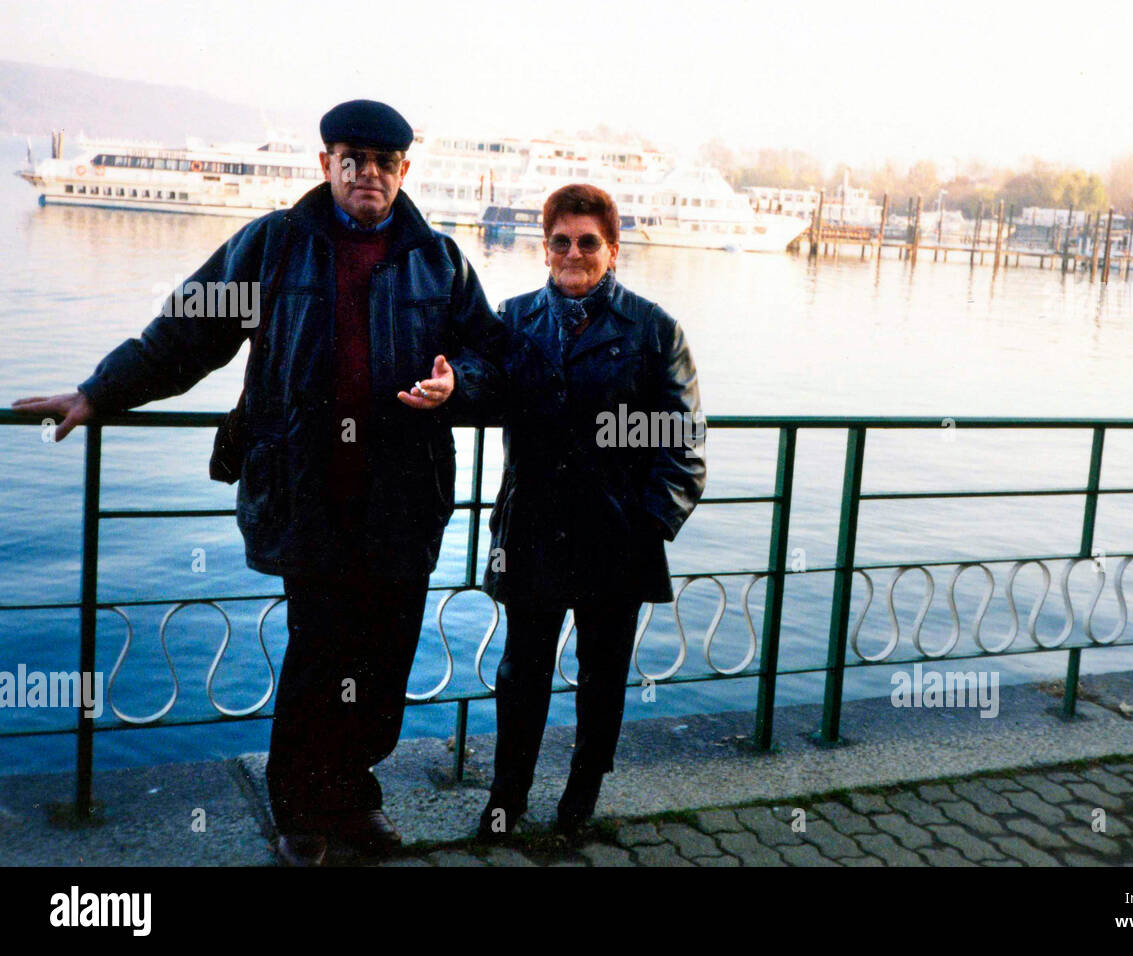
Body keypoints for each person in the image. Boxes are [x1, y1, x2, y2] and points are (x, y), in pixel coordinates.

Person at [12, 100, 506, 866]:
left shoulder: (439, 260)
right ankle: (303, 813)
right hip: (307, 492)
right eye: (352, 157)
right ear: (325, 164)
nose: (367, 173)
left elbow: (489, 358)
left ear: (405, 171)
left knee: (381, 665)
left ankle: (353, 796)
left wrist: (459, 386)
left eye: (383, 161)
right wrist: (99, 391)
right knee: (318, 662)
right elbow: (186, 332)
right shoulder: (274, 246)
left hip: (405, 499)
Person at [477, 183, 706, 839]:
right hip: (532, 530)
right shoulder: (513, 320)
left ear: (612, 249)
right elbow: (475, 389)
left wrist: (647, 525)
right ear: (545, 247)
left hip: (616, 534)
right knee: (522, 672)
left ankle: (581, 795)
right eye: (560, 242)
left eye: (587, 242)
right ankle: (504, 800)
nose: (573, 254)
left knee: (602, 673)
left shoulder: (654, 329)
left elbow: (683, 445)